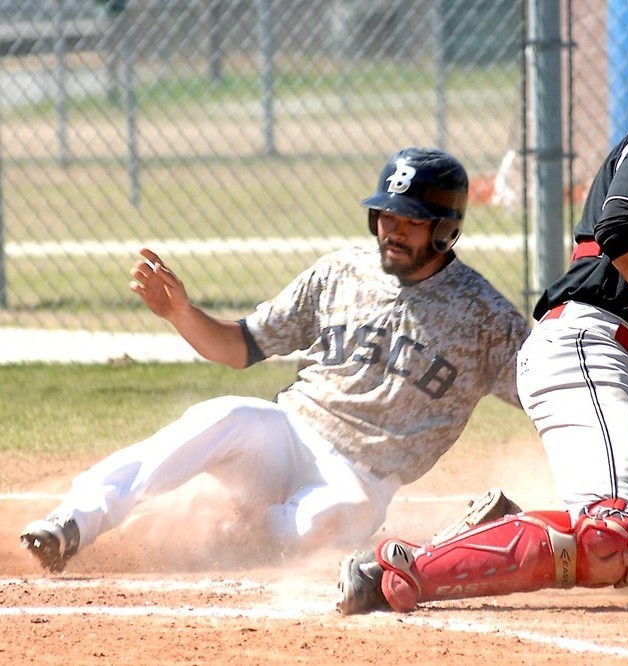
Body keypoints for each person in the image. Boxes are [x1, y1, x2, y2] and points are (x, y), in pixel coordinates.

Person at [337, 19, 628, 614]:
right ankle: (398, 570)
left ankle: (497, 533)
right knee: (614, 538)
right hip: (591, 353)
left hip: (627, 369)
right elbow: (624, 233)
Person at [19, 146, 531, 573]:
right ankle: (72, 522)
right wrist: (181, 313)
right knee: (224, 415)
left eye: (410, 221)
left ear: (445, 228)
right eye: (386, 215)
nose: (392, 230)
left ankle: (224, 532)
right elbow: (241, 346)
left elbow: (551, 395)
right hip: (288, 433)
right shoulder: (340, 272)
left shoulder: (483, 316)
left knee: (333, 514)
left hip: (362, 477)